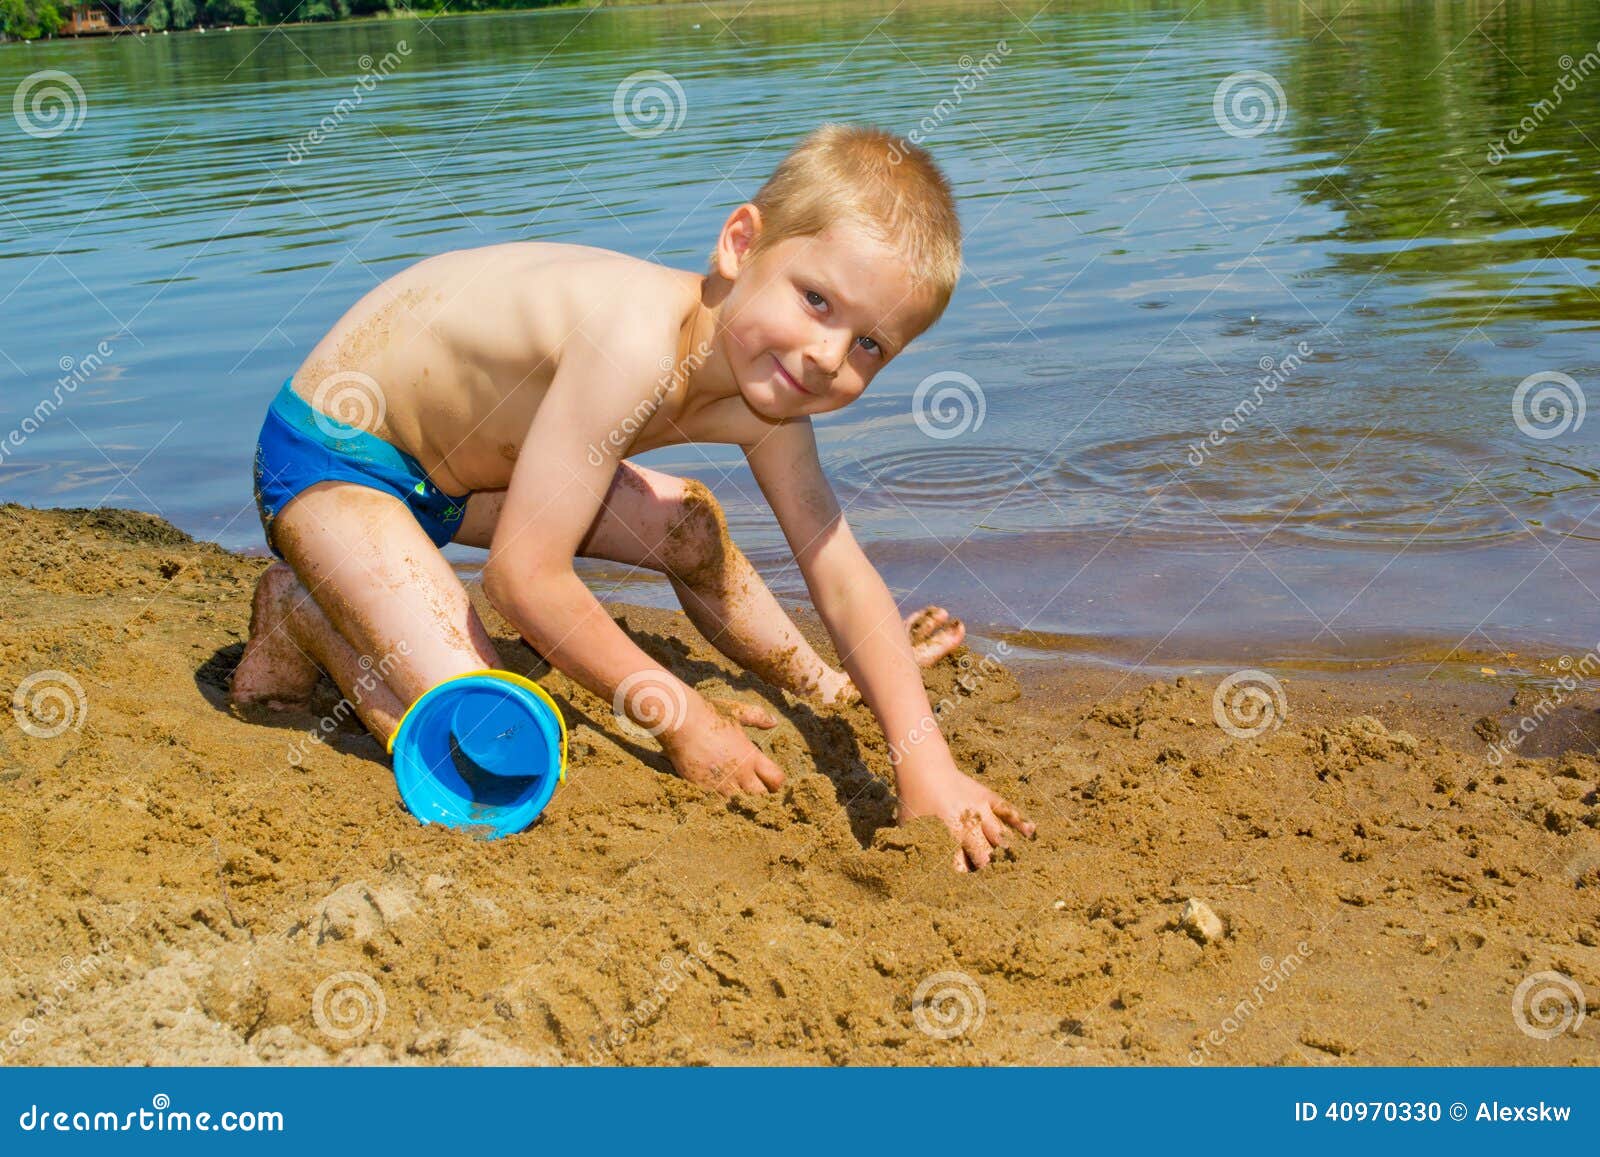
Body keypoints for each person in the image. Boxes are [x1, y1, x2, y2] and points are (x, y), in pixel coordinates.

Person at [231, 123, 1034, 870]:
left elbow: (840, 569)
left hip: (459, 484)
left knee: (690, 529)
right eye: (816, 300)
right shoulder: (632, 340)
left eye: (869, 344)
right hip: (337, 462)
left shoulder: (774, 401)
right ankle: (306, 609)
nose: (827, 355)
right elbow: (524, 577)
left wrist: (923, 759)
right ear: (740, 243)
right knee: (494, 745)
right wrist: (683, 717)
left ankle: (818, 682)